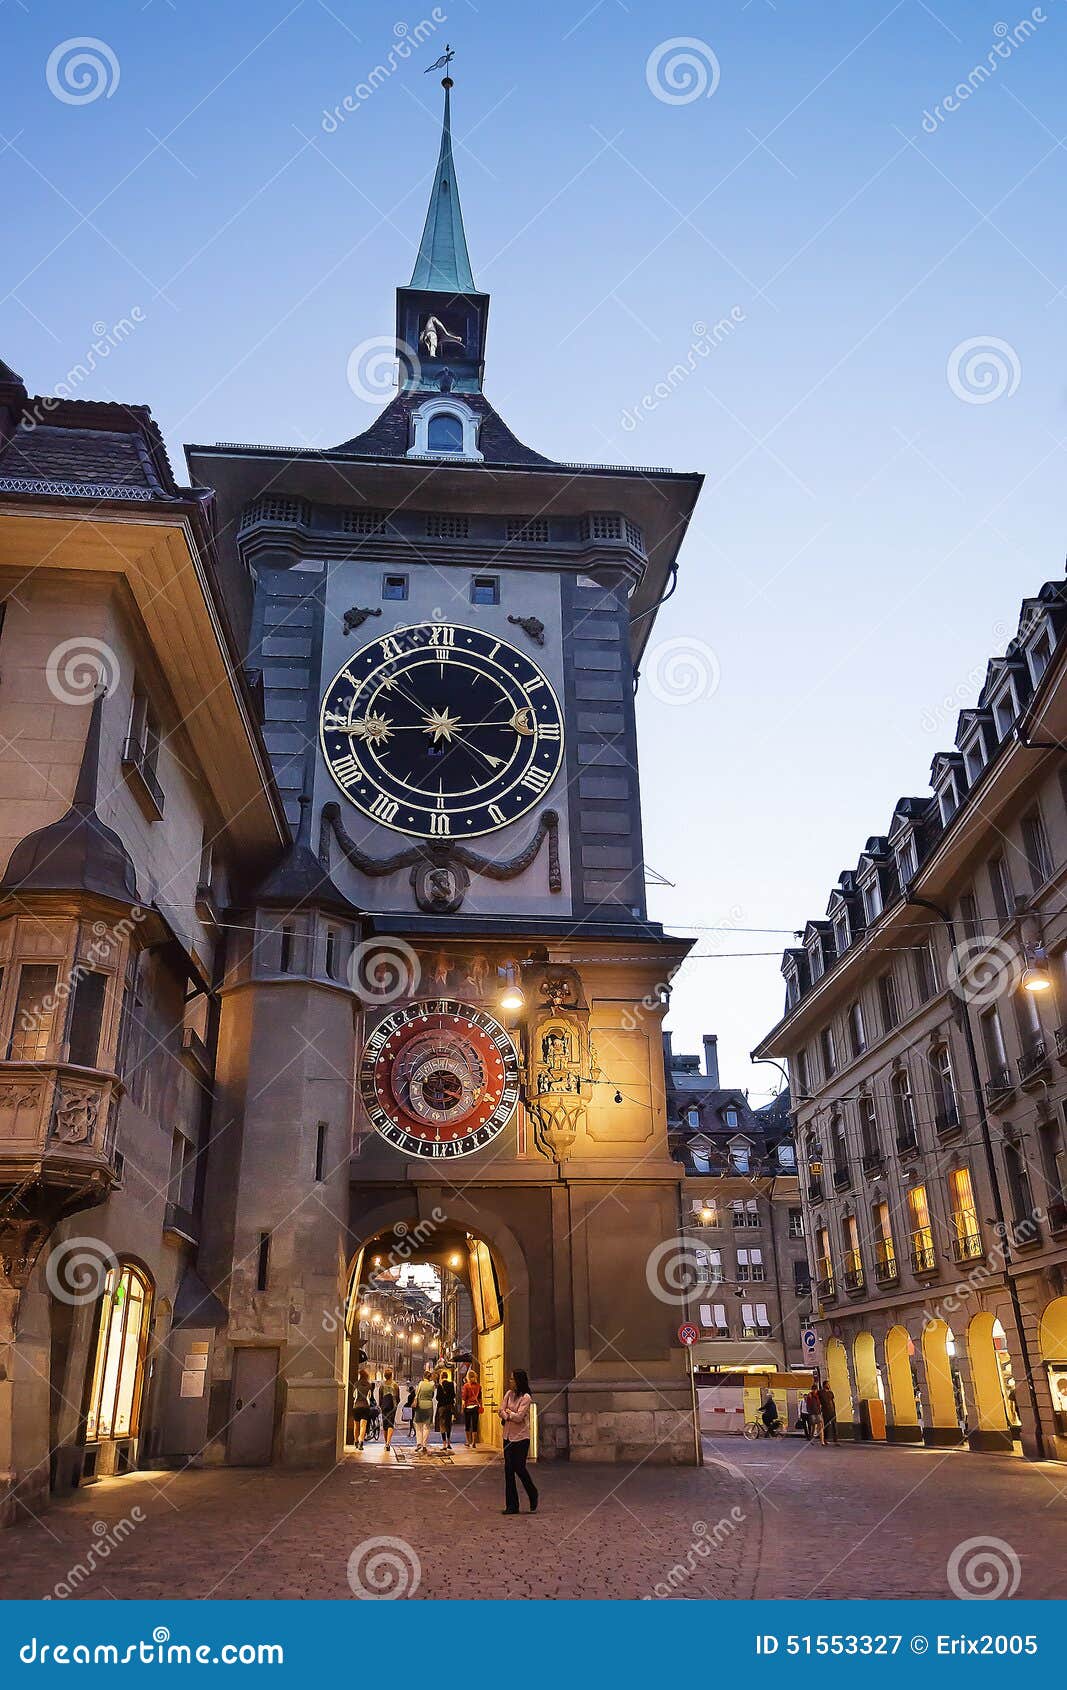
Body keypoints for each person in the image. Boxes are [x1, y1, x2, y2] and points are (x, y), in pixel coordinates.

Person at [500, 1367, 539, 1516]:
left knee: (519, 1468)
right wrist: (509, 1414)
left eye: (512, 1379)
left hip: (521, 1438)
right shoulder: (509, 1394)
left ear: (518, 1381)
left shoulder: (526, 1398)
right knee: (508, 1471)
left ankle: (532, 1491)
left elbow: (519, 1417)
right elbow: (500, 1411)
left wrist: (508, 1414)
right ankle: (512, 1505)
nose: (510, 1381)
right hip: (507, 1437)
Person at [412, 1368, 436, 1453]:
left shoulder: (421, 1383)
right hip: (429, 1405)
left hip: (420, 1406)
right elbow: (432, 1395)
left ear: (423, 1376)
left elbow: (417, 1394)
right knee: (427, 1426)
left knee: (418, 1425)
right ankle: (425, 1445)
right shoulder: (432, 1384)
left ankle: (419, 1443)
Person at [379, 1367, 400, 1451]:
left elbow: (380, 1397)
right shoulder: (395, 1385)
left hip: (384, 1406)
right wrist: (396, 1404)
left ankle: (385, 1443)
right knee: (390, 1424)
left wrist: (381, 1406)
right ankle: (388, 1443)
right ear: (391, 1375)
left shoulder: (382, 1385)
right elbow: (398, 1397)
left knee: (385, 1424)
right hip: (392, 1406)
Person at [435, 1368, 457, 1450]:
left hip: (441, 1407)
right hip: (449, 1406)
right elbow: (454, 1395)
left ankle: (444, 1444)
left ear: (441, 1377)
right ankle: (449, 1443)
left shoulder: (440, 1386)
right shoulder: (451, 1384)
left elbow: (437, 1398)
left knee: (442, 1424)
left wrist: (442, 1399)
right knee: (448, 1424)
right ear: (447, 1377)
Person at [462, 1367, 483, 1449]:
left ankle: (468, 1441)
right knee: (475, 1425)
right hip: (475, 1407)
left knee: (467, 1425)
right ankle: (474, 1442)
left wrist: (463, 1406)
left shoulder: (466, 1386)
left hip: (468, 1407)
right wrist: (481, 1405)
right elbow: (480, 1398)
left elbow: (464, 1397)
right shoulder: (478, 1386)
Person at [351, 1370, 372, 1452]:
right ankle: (361, 1443)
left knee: (356, 1425)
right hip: (365, 1407)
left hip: (356, 1406)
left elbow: (354, 1395)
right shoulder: (369, 1385)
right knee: (363, 1425)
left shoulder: (356, 1384)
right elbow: (369, 1396)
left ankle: (356, 1441)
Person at [818, 1379, 838, 1445]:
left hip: (832, 1411)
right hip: (825, 1411)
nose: (829, 1385)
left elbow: (832, 1401)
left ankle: (835, 1440)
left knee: (834, 1425)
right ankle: (825, 1439)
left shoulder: (830, 1393)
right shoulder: (820, 1392)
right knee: (826, 1425)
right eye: (828, 1384)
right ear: (824, 1385)